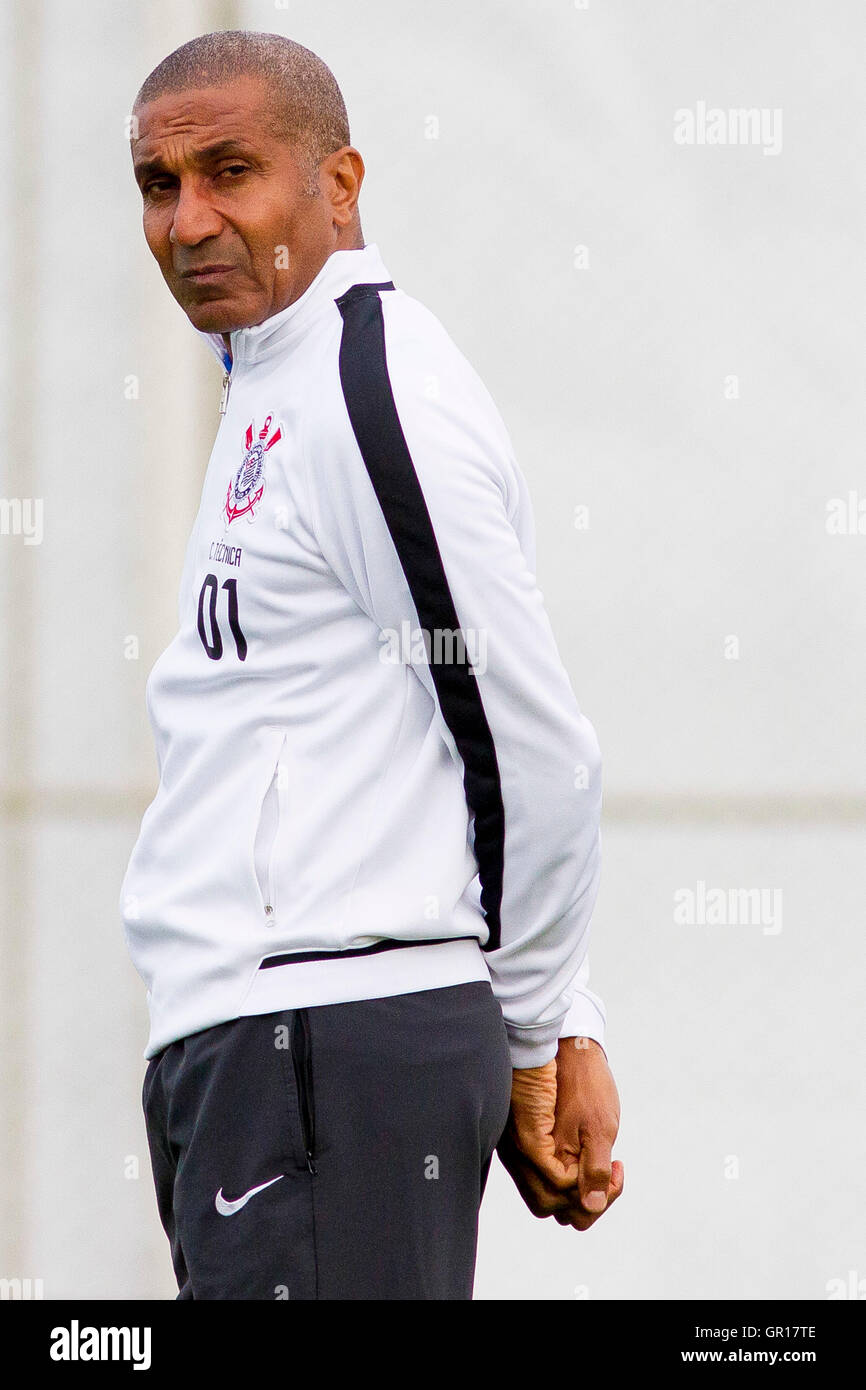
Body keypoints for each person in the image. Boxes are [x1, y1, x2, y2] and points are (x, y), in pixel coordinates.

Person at [120, 28, 623, 1301]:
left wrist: (542, 1025)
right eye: (158, 182)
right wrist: (561, 1010)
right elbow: (425, 735)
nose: (188, 221)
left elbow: (529, 745)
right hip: (255, 1045)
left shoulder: (364, 389)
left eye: (230, 171)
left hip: (329, 1037)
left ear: (338, 185)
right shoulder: (269, 380)